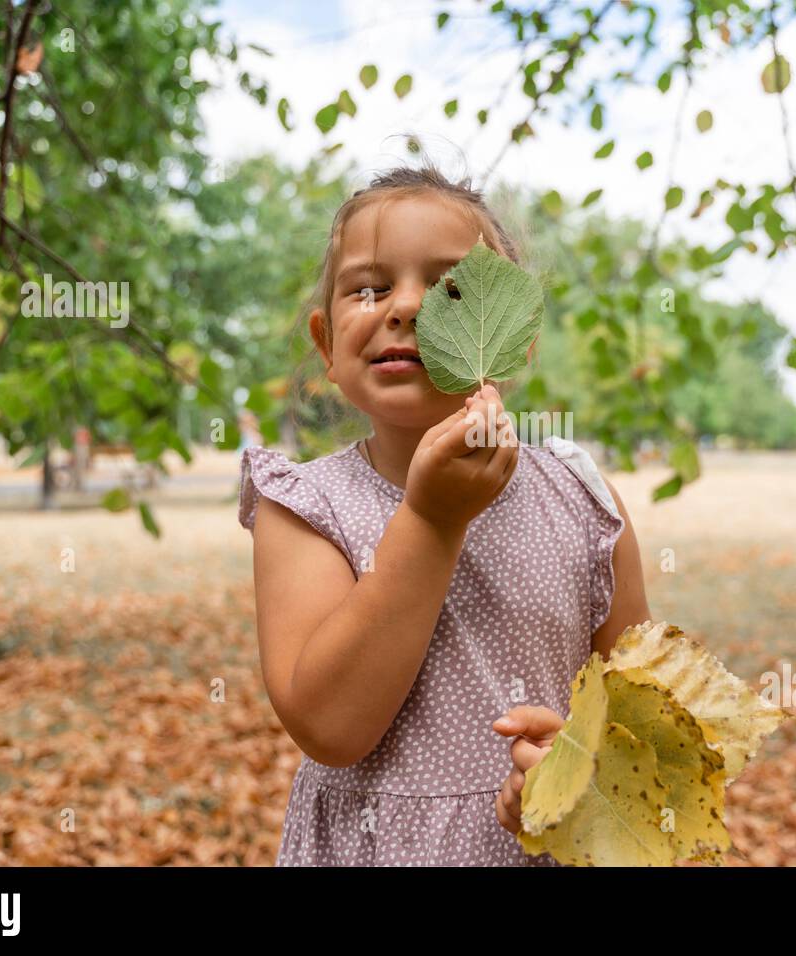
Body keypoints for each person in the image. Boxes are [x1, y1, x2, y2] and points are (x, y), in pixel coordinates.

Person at [237, 163, 651, 865]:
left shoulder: (584, 502)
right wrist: (431, 523)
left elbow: (647, 724)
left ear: (515, 336)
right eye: (368, 288)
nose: (404, 307)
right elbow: (331, 725)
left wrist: (578, 765)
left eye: (451, 287)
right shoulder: (304, 507)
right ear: (326, 346)